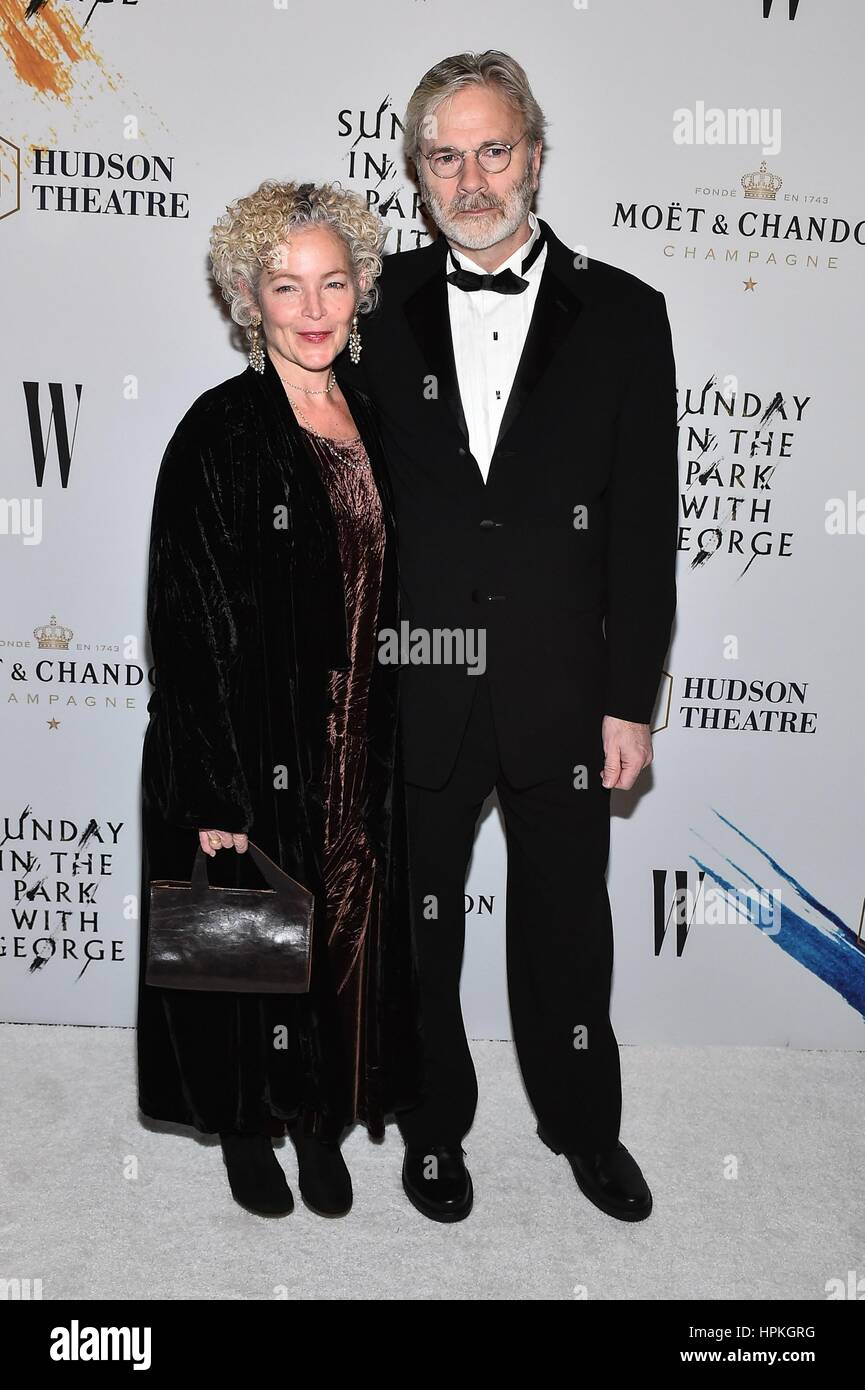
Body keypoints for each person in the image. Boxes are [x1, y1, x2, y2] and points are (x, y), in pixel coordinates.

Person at [337, 51, 679, 1223]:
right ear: (415, 171)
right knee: (420, 927)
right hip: (416, 678)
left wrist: (627, 698)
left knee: (566, 929)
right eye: (445, 155)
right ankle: (432, 1131)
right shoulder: (367, 310)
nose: (471, 178)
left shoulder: (628, 315)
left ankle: (585, 1127)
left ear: (535, 154)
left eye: (493, 150)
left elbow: (642, 532)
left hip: (560, 685)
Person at [137, 179, 422, 1218]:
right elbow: (186, 617)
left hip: (361, 742)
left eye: (332, 282)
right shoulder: (219, 431)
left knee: (342, 935)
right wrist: (216, 784)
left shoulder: (381, 422)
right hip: (254, 741)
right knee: (248, 948)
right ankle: (249, 1127)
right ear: (247, 296)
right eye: (286, 284)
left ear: (359, 292)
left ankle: (319, 1119)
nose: (312, 307)